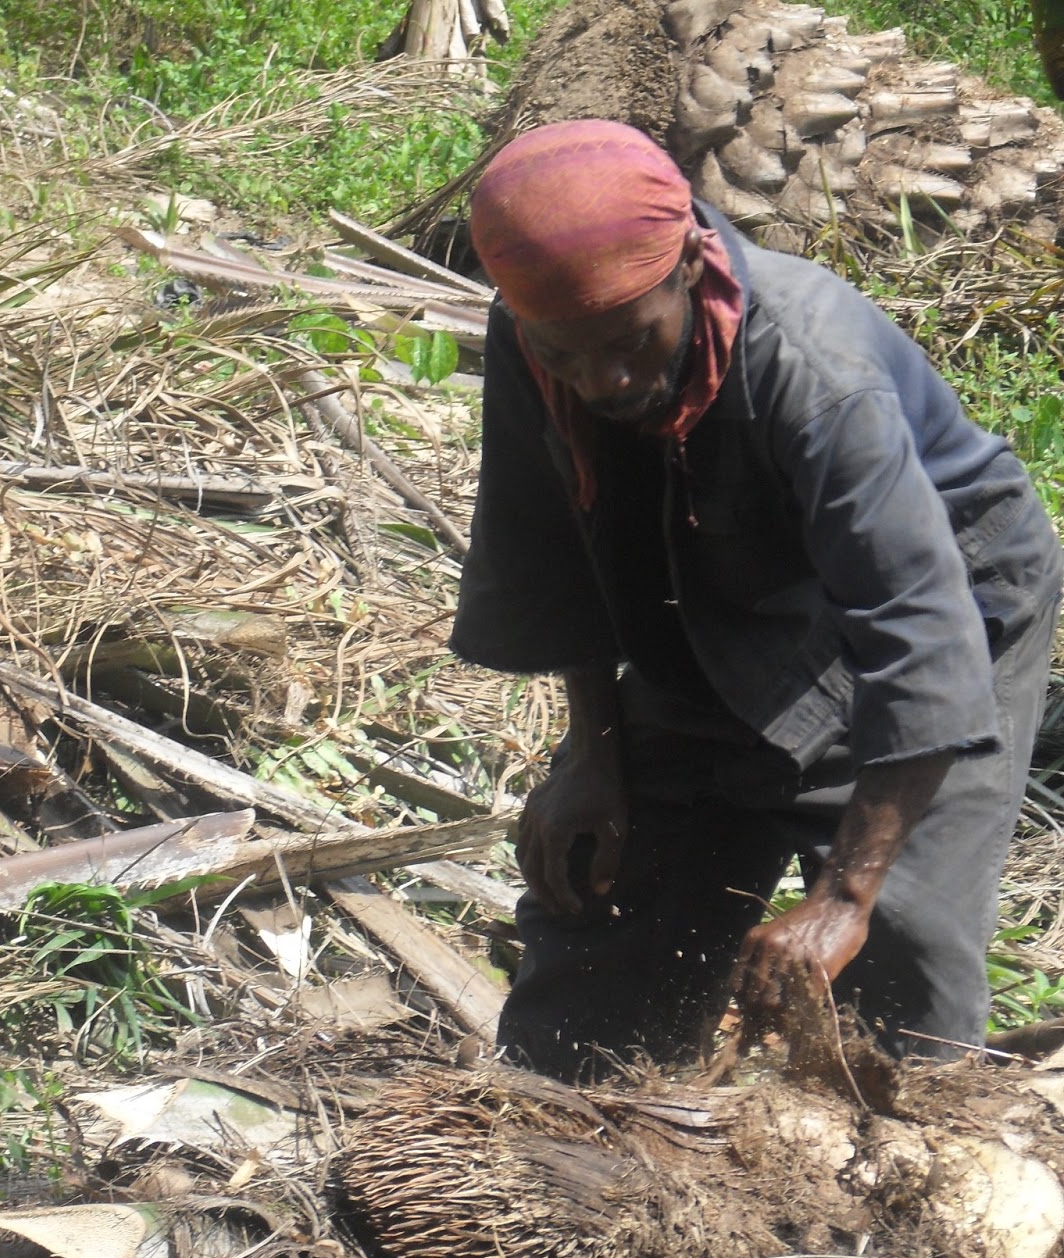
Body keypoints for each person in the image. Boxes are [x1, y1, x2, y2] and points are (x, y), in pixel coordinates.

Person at [451, 119, 1062, 1079]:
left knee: (900, 953)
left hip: (944, 585)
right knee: (607, 904)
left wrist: (848, 897)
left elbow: (920, 641)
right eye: (569, 356)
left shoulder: (814, 375)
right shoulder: (542, 334)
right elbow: (552, 546)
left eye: (628, 341)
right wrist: (594, 749)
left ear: (692, 267)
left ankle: (899, 1192)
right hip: (723, 568)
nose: (603, 380)